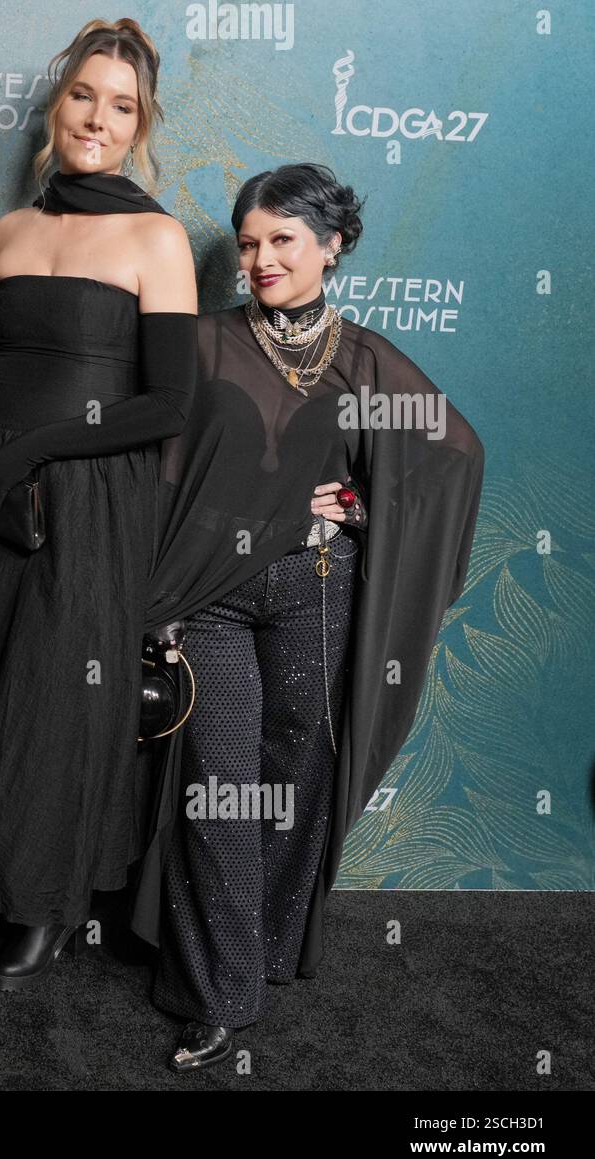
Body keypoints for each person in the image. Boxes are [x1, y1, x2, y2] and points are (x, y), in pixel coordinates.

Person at [127, 163, 484, 1071]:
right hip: (210, 598)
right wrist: (159, 601)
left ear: (331, 246)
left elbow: (453, 454)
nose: (261, 259)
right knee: (218, 790)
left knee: (293, 780)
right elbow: (163, 474)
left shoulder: (365, 361)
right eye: (248, 243)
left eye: (282, 239)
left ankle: (269, 945)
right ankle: (221, 994)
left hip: (316, 588)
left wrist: (365, 507)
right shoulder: (205, 345)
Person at [0, 18, 198, 1029]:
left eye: (121, 106)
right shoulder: (14, 232)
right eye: (84, 97)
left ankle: (35, 900)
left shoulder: (155, 237)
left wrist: (34, 451)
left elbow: (167, 402)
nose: (97, 119)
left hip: (89, 495)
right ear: (57, 104)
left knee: (55, 700)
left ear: (139, 123)